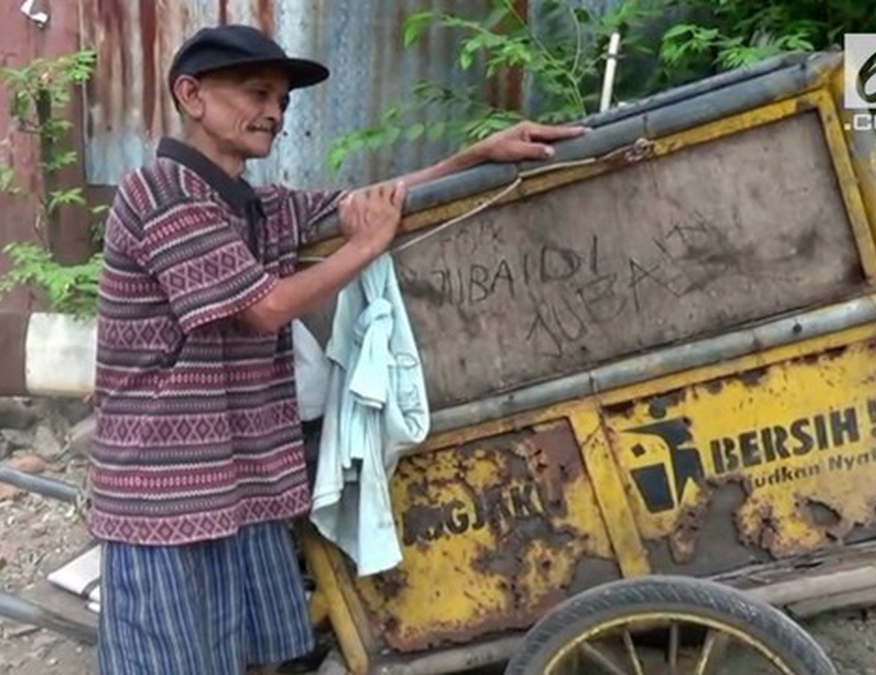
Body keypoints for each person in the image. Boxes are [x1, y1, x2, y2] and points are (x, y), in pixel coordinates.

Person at [89, 23, 586, 675]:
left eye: (281, 102)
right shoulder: (160, 191)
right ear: (192, 95)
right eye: (256, 93)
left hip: (239, 481)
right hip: (168, 490)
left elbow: (366, 207)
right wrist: (363, 249)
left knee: (246, 658)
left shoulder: (261, 206)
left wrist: (475, 157)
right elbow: (264, 308)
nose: (272, 111)